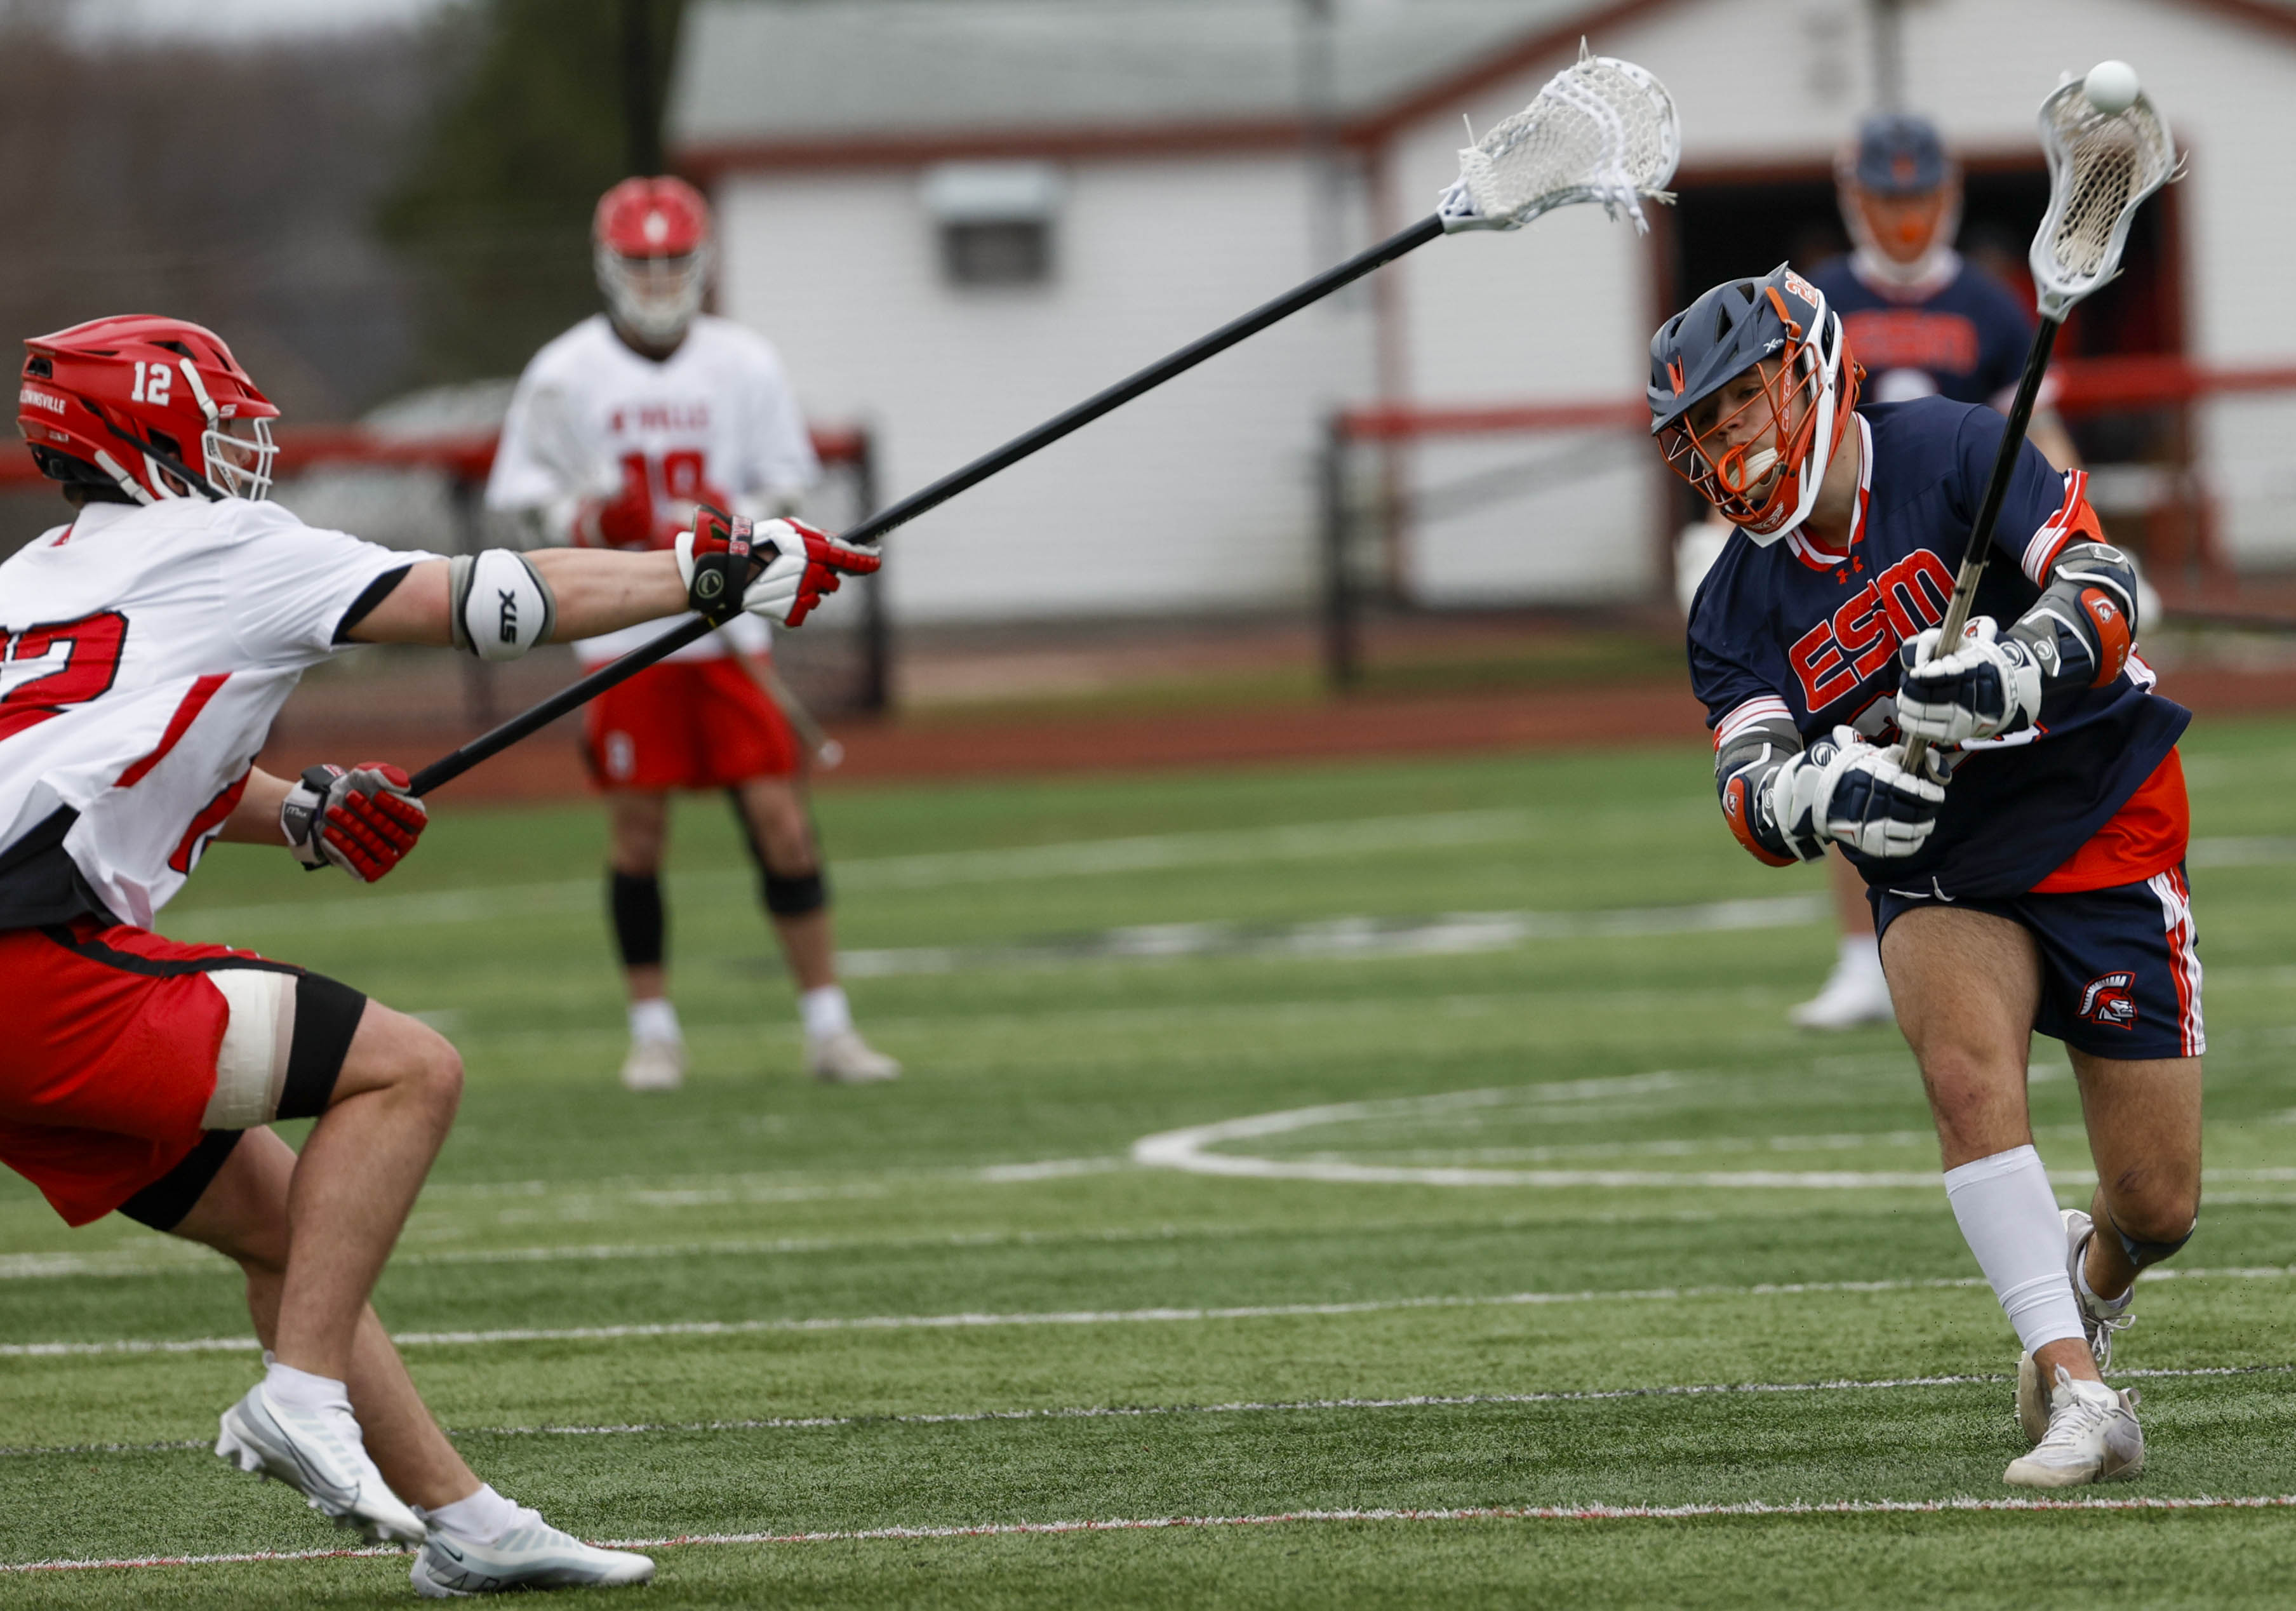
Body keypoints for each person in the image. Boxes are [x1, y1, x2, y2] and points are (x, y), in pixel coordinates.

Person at [3, 314, 874, 1590]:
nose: (249, 442)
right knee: (409, 1072)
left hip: (36, 968)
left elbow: (98, 756)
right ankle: (300, 1398)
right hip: (37, 974)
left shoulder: (29, 578)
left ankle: (463, 1525)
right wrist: (704, 573)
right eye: (220, 416)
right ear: (147, 429)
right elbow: (487, 602)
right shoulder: (235, 546)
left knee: (295, 1229)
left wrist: (297, 809)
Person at [1655, 266, 2201, 1487]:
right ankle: (2080, 1390)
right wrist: (1832, 792)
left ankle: (2094, 1278)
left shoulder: (1955, 447)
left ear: (1812, 371)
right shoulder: (1732, 606)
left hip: (2095, 813)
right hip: (1944, 866)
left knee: (2158, 1203)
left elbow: (2102, 585)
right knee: (1963, 1076)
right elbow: (1749, 784)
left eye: (1742, 402)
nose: (1728, 441)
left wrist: (2016, 666)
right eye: (1703, 428)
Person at [487, 176, 898, 1091]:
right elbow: (521, 499)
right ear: (609, 263)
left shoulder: (744, 362)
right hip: (623, 629)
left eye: (675, 258)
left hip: (727, 627)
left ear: (702, 260)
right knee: (637, 832)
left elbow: (788, 480)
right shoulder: (563, 373)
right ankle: (654, 1030)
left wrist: (732, 521)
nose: (661, 276)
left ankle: (829, 1026)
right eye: (642, 260)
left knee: (782, 823)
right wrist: (590, 517)